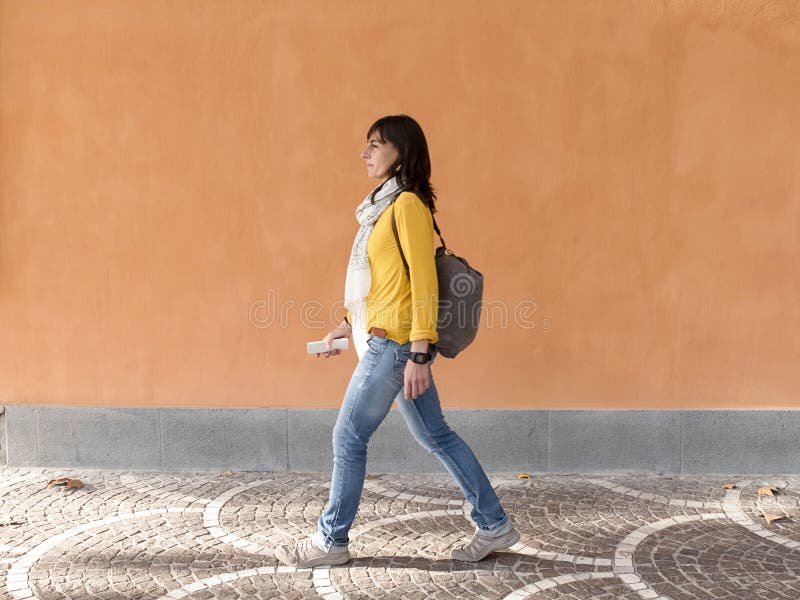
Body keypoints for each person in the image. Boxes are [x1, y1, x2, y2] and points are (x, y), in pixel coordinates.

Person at [275, 115, 518, 568]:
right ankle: (494, 523)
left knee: (348, 437)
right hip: (384, 339)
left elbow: (424, 284)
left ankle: (331, 542)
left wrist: (421, 352)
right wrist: (345, 326)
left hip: (397, 347)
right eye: (366, 145)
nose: (365, 153)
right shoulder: (379, 207)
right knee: (437, 435)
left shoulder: (406, 205)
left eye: (375, 145)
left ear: (400, 153)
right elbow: (385, 284)